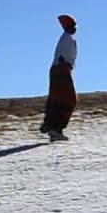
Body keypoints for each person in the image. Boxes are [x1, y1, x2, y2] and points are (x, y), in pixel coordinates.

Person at [40, 14, 78, 142]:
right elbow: (64, 56)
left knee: (56, 98)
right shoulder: (67, 38)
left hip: (59, 69)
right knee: (69, 99)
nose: (75, 28)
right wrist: (65, 65)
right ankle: (55, 128)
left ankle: (50, 125)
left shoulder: (66, 38)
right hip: (62, 69)